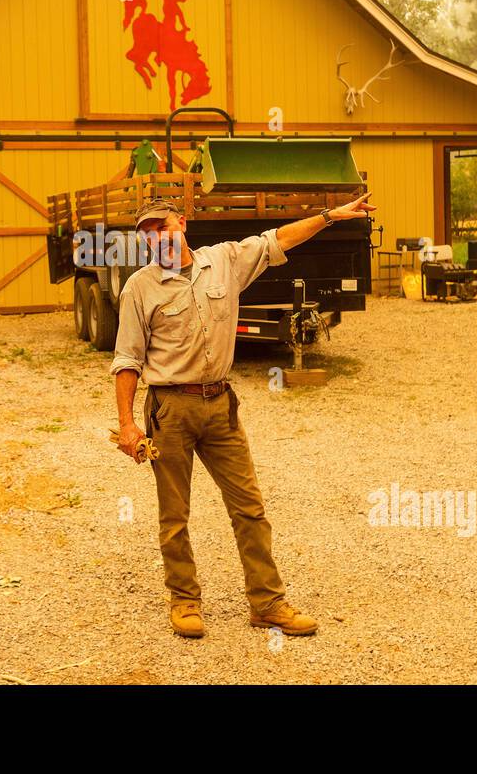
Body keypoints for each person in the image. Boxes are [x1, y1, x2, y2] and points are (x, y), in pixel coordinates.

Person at [111, 193, 377, 638]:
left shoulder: (224, 262)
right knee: (174, 514)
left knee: (249, 508)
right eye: (149, 234)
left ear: (182, 223)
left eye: (164, 227)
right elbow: (126, 360)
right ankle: (185, 601)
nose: (159, 238)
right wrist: (126, 425)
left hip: (221, 407)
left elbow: (278, 240)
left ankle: (267, 603)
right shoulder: (139, 288)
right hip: (169, 409)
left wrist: (329, 217)